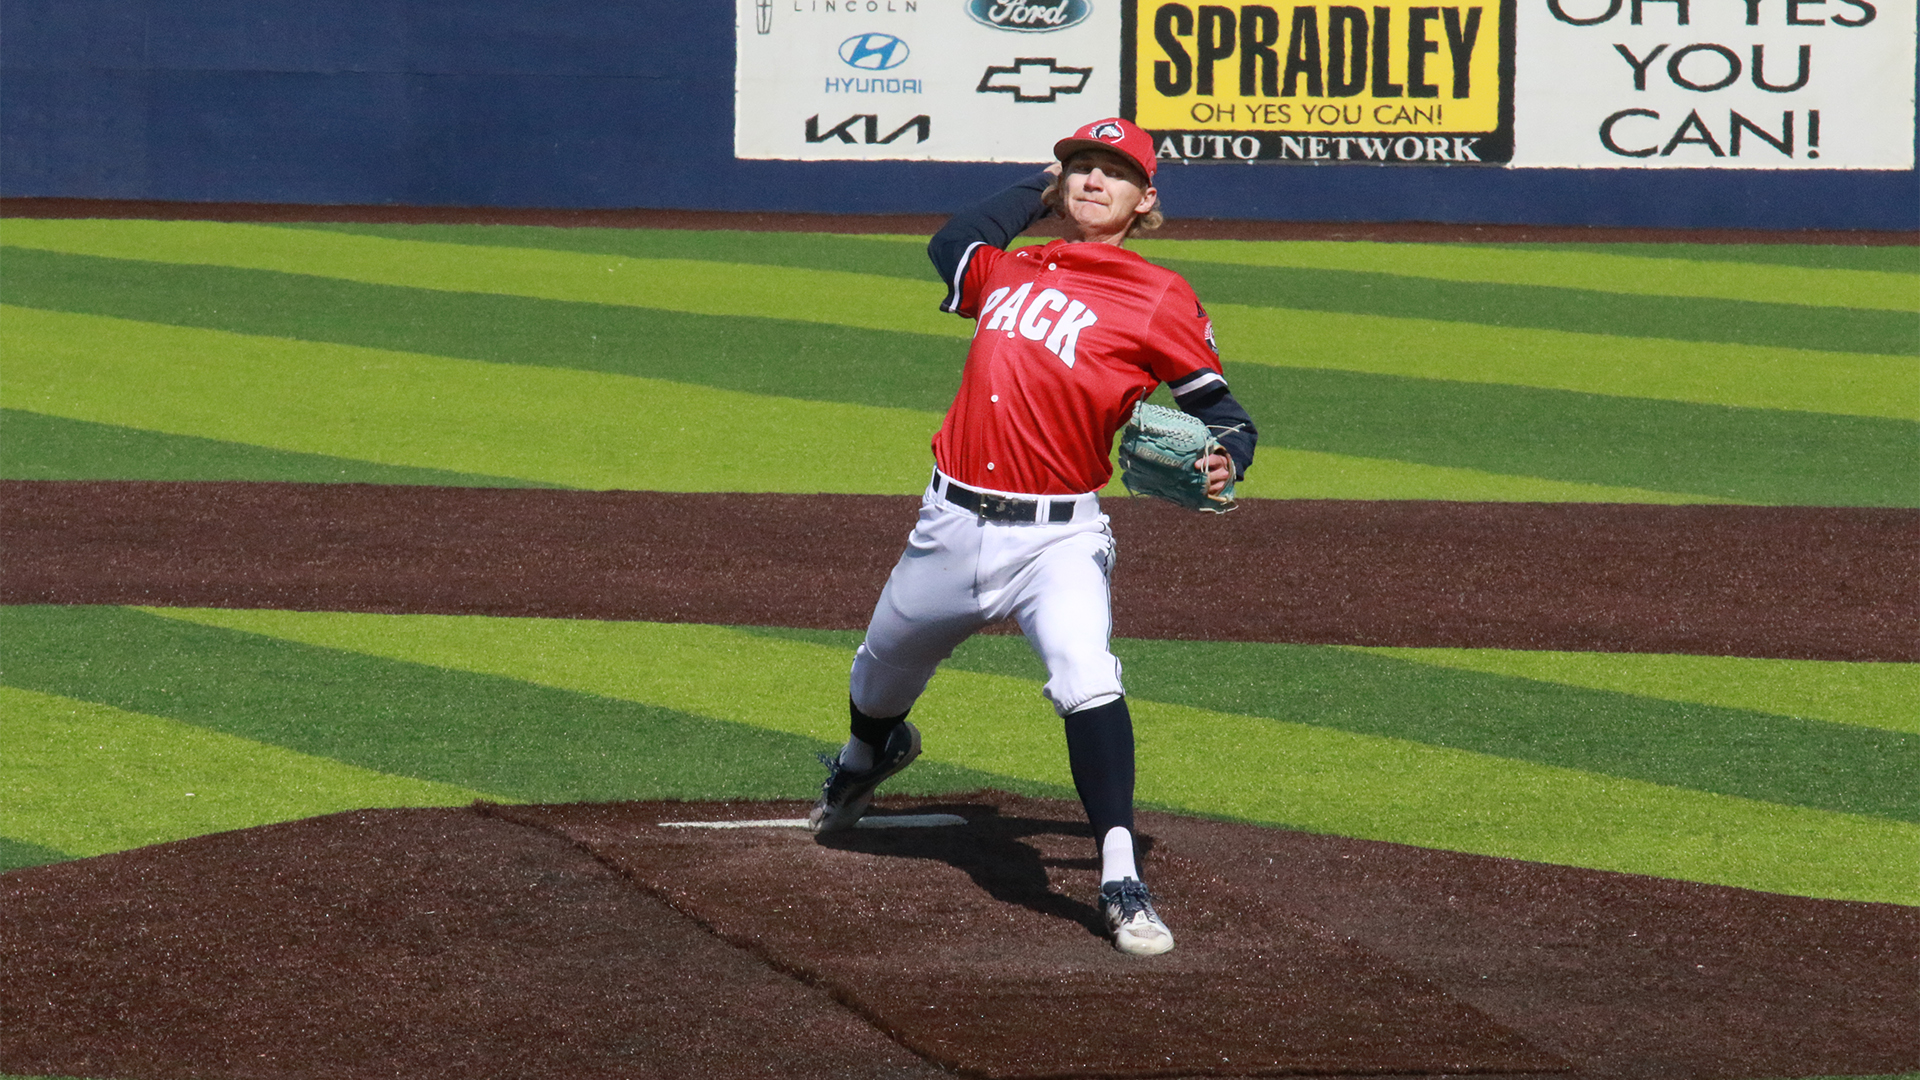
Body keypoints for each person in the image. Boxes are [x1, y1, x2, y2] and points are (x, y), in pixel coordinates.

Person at [807, 117, 1257, 957]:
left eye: (1113, 173)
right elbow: (955, 239)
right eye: (1081, 168)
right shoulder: (1013, 267)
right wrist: (1040, 182)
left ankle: (1120, 876)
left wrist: (1228, 458)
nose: (1093, 181)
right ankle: (870, 755)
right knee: (877, 676)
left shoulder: (1160, 296)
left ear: (1145, 201)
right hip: (950, 525)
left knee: (1088, 679)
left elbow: (1225, 416)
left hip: (1058, 542)